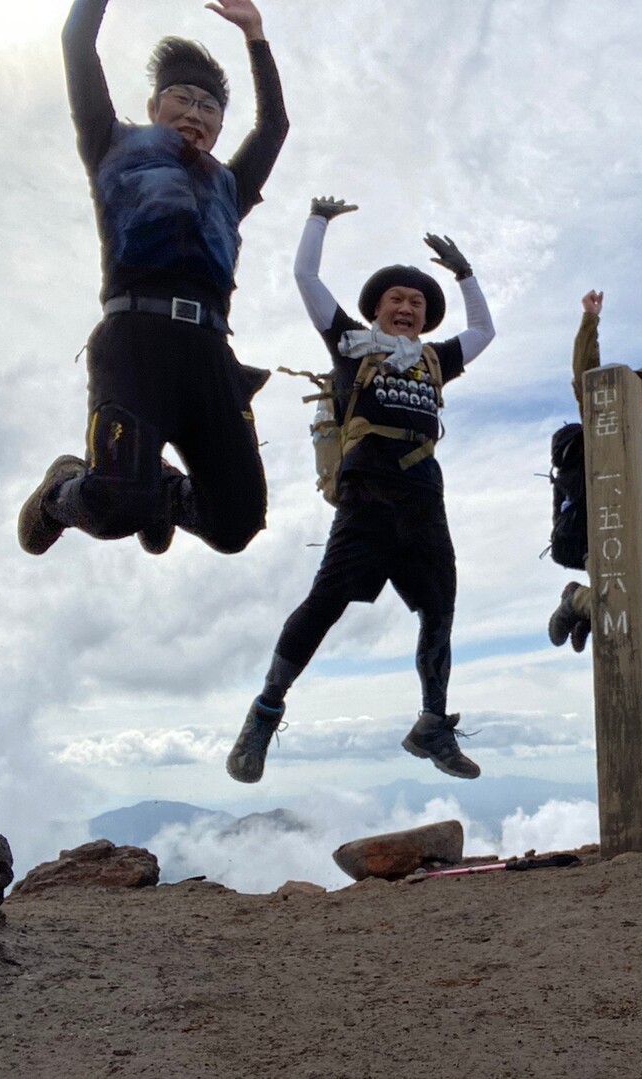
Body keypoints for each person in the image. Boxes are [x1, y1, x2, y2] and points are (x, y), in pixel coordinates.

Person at [226, 196, 496, 784]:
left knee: (439, 612)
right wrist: (318, 219)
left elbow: (484, 330)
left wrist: (466, 273)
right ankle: (265, 710)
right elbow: (306, 277)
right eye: (396, 299)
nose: (407, 307)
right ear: (375, 308)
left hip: (425, 499)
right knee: (325, 603)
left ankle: (430, 725)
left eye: (417, 302)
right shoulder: (350, 343)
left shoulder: (435, 359)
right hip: (366, 497)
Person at [17, 0, 288, 558]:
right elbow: (77, 42)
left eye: (209, 106)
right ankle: (57, 494)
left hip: (210, 353)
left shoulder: (230, 187)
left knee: (236, 523)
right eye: (182, 98)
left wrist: (256, 37)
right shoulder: (111, 145)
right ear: (154, 105)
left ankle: (161, 491)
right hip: (134, 340)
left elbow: (275, 127)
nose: (197, 112)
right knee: (117, 507)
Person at [547, 290, 642, 653]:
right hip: (605, 546)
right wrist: (590, 321)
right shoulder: (602, 426)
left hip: (640, 552)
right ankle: (579, 601)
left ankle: (592, 613)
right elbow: (586, 374)